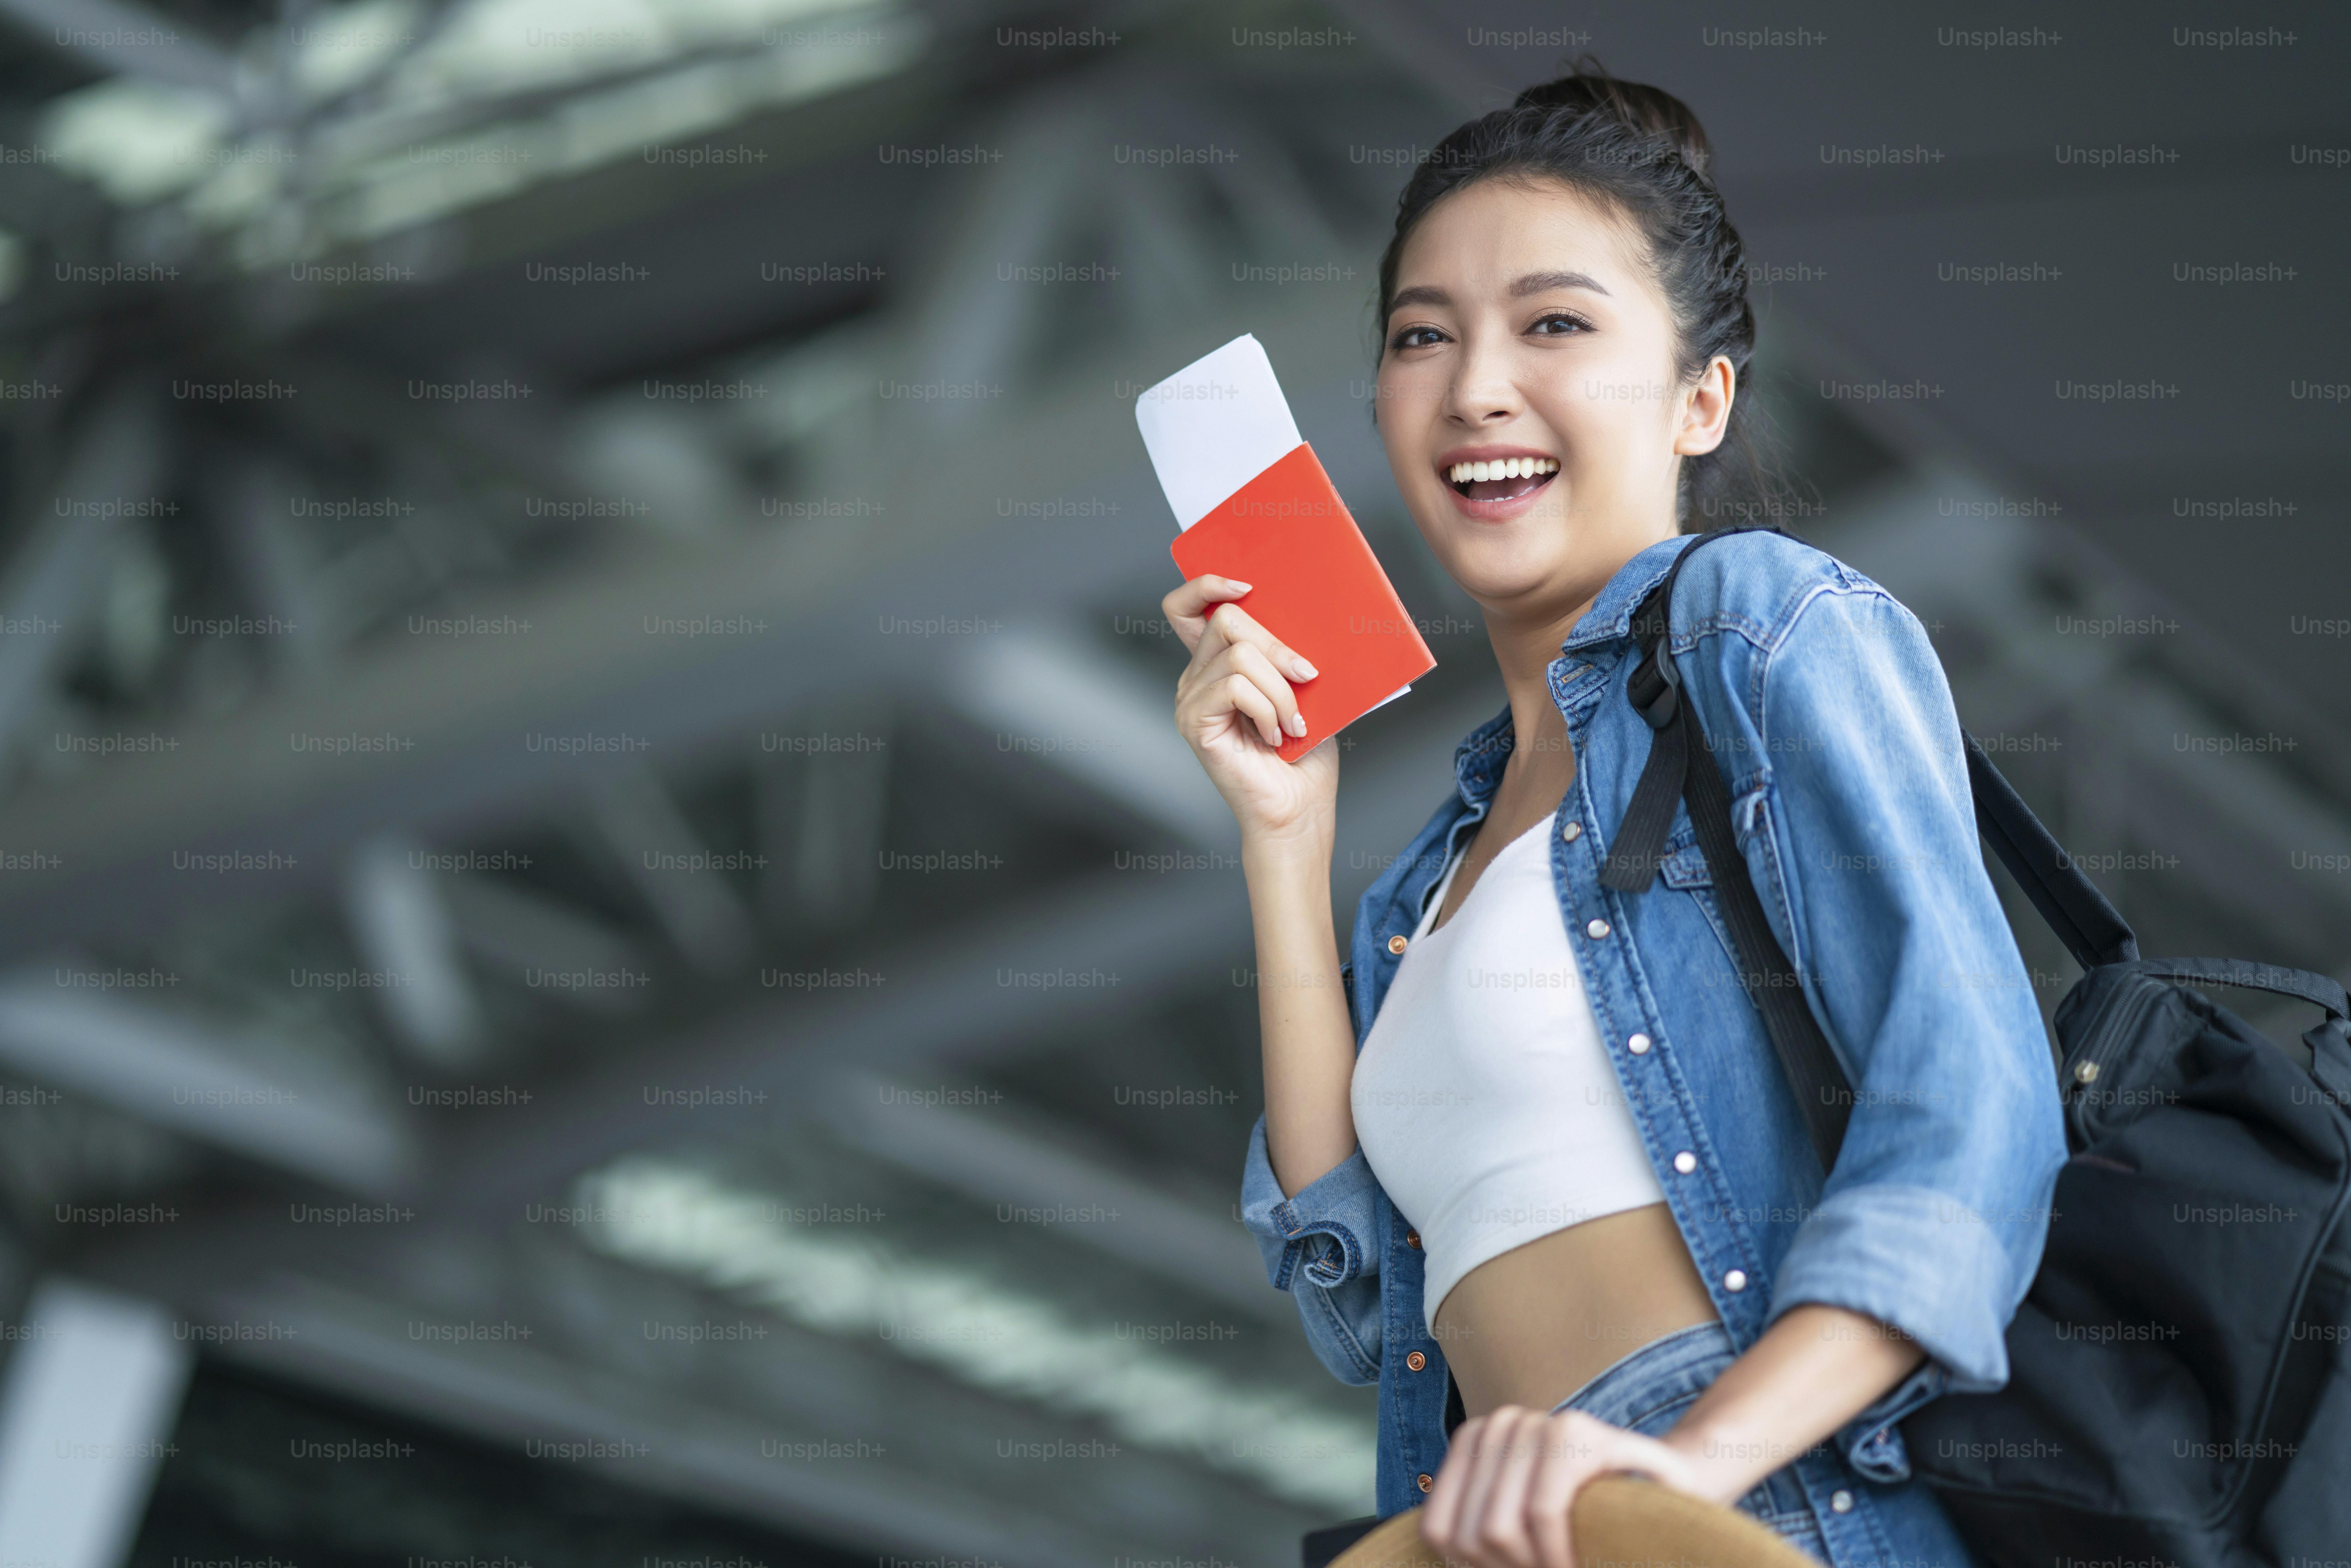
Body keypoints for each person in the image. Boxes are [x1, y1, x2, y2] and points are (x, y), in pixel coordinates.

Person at [1161, 65, 2065, 1568]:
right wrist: (1284, 833)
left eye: (1555, 324)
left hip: (1755, 1501)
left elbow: (1972, 1111)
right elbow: (1362, 1298)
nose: (1474, 387)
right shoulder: (1422, 886)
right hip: (1486, 1529)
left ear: (1701, 397)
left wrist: (1687, 1471)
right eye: (1420, 337)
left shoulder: (1755, 628)